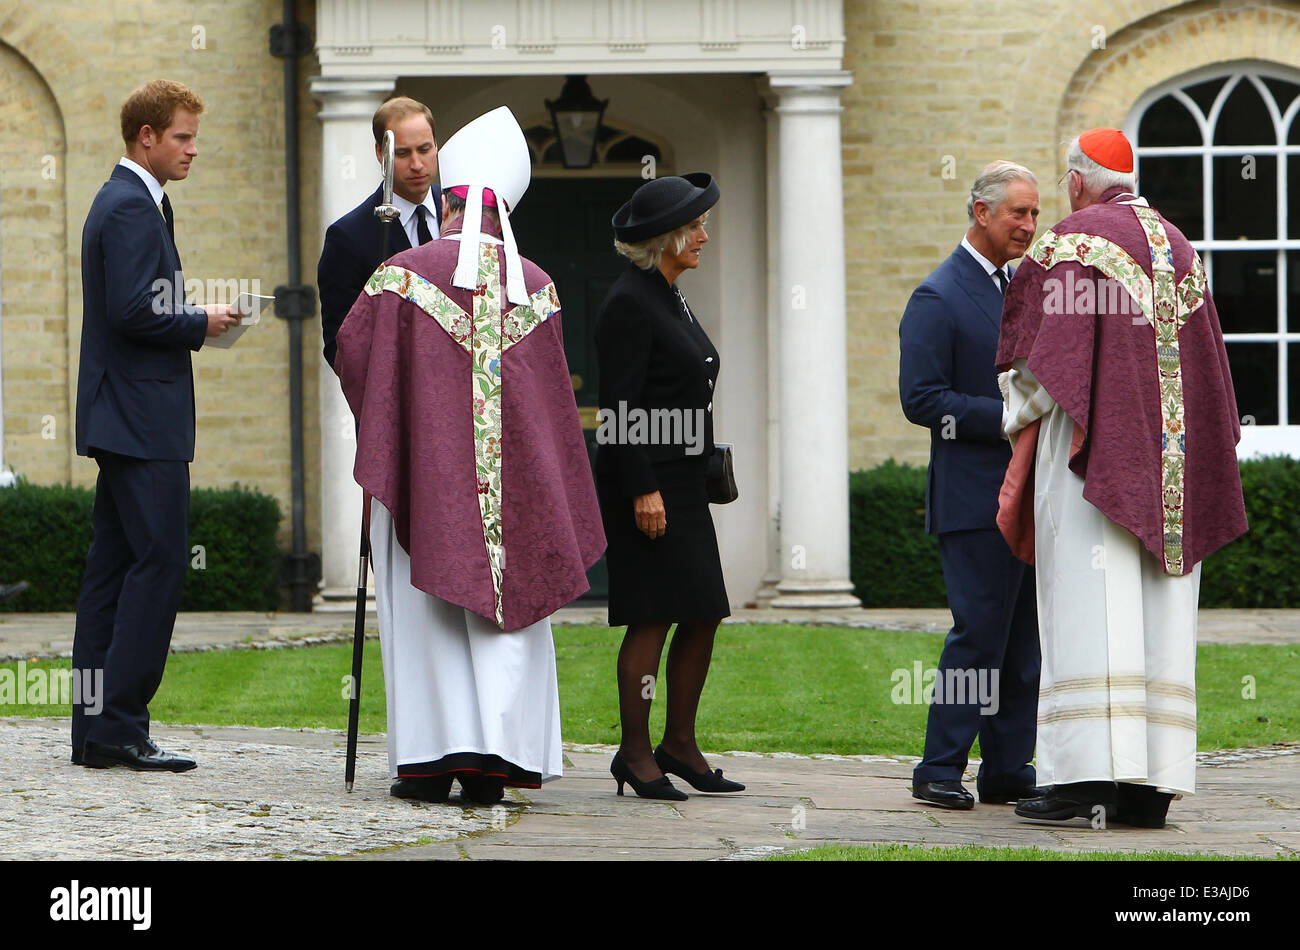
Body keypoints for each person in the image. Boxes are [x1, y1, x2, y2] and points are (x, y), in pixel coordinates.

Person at [335, 106, 605, 804]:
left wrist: (401, 421)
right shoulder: (538, 288)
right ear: (507, 204)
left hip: (429, 481)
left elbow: (352, 357)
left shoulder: (401, 274)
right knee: (505, 617)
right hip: (517, 490)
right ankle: (496, 762)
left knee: (428, 617)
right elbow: (550, 403)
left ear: (452, 197)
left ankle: (430, 763)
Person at [997, 129, 1248, 828]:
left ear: (1078, 180)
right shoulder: (1179, 247)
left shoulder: (1072, 242)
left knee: (1088, 609)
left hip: (1093, 468)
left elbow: (1042, 369)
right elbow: (1207, 371)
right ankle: (1150, 787)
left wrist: (1011, 411)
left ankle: (1082, 781)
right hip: (1172, 462)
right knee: (1159, 621)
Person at [72, 79, 239, 772]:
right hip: (141, 418)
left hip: (125, 413)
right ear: (147, 136)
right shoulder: (132, 207)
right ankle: (123, 725)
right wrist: (204, 322)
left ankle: (95, 729)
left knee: (111, 571)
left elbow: (135, 304)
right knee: (160, 563)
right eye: (183, 136)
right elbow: (132, 313)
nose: (193, 149)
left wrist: (193, 312)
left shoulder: (129, 202)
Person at [899, 161, 1045, 810]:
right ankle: (937, 771)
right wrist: (1014, 419)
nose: (1030, 225)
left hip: (1027, 496)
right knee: (978, 635)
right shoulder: (938, 296)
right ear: (981, 213)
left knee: (1020, 643)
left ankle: (1008, 770)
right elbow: (922, 400)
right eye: (1019, 213)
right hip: (972, 499)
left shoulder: (1026, 285)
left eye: (1036, 214)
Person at [593, 173, 742, 800]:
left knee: (704, 611)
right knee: (651, 617)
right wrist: (642, 490)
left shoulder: (669, 293)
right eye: (697, 227)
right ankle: (634, 751)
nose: (705, 236)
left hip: (683, 483)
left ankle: (679, 742)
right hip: (648, 485)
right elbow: (617, 408)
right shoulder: (630, 301)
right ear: (666, 238)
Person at [319, 96, 442, 370]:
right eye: (402, 153)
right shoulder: (348, 237)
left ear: (436, 145)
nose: (417, 164)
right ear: (380, 153)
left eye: (424, 149)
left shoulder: (466, 213)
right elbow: (340, 347)